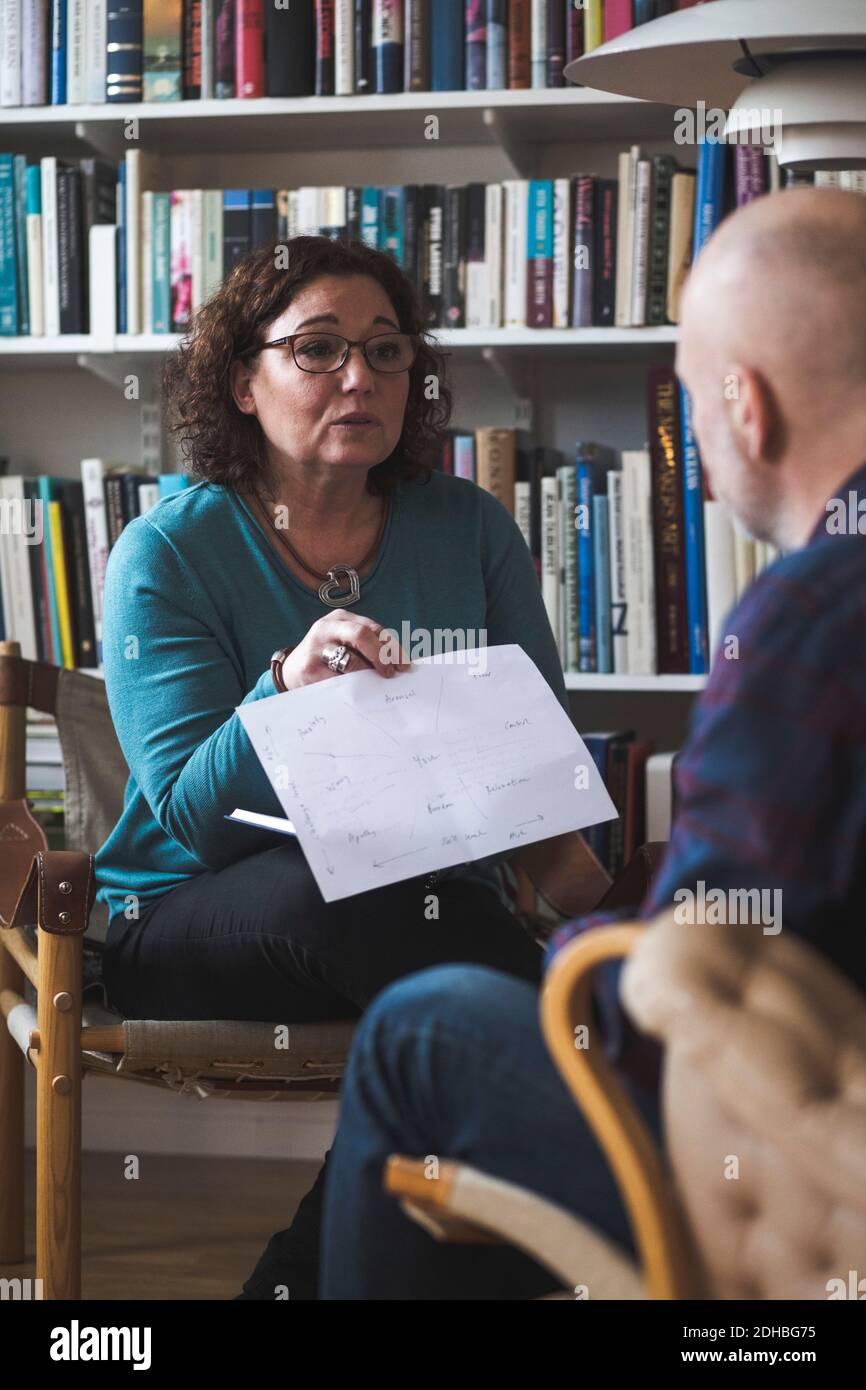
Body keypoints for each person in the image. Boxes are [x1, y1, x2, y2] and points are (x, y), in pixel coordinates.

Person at [316, 187, 866, 1298]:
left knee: (423, 1028)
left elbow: (700, 999)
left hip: (806, 1179)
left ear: (744, 406)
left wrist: (575, 960)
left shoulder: (813, 615)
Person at [94, 235, 592, 1301]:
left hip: (429, 904)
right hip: (186, 911)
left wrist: (609, 910)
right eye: (316, 349)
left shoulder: (468, 527)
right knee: (460, 992)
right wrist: (284, 692)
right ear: (241, 379)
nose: (359, 376)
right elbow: (186, 819)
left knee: (454, 1044)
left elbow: (529, 765)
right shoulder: (168, 551)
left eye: (385, 349)